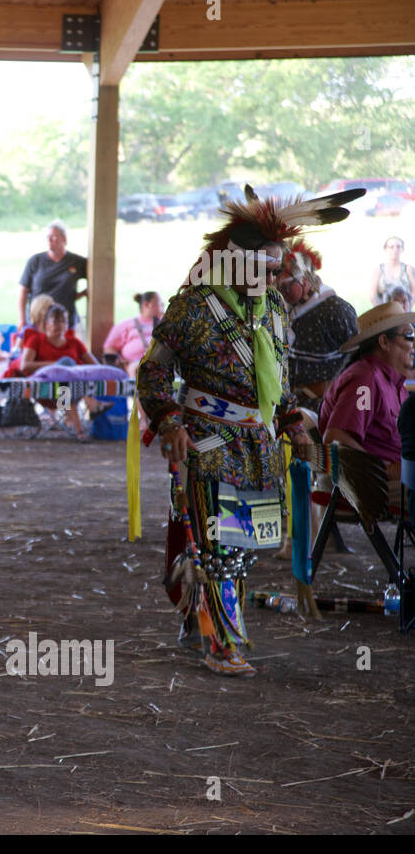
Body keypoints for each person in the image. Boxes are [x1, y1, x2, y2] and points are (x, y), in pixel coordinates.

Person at [136, 185, 361, 677]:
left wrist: (290, 424)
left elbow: (276, 381)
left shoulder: (274, 309)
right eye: (266, 267)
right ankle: (220, 640)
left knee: (242, 547)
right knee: (217, 546)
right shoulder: (193, 307)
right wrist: (169, 421)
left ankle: (203, 623)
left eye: (279, 268)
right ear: (233, 263)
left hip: (257, 445)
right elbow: (153, 372)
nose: (277, 275)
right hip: (208, 439)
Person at [319, 302, 414, 499]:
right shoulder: (365, 379)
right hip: (373, 483)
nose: (413, 343)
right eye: (409, 336)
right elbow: (334, 437)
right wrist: (383, 469)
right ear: (384, 342)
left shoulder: (390, 382)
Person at [278, 240, 357, 409]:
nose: (281, 293)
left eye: (286, 287)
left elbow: (358, 359)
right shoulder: (281, 308)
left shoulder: (336, 310)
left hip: (326, 405)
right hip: (289, 403)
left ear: (305, 280)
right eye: (277, 287)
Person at [18, 303, 98, 440]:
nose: (60, 325)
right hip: (44, 389)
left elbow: (95, 366)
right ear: (46, 324)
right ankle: (91, 408)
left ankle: (80, 428)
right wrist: (56, 365)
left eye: (63, 321)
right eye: (55, 321)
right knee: (65, 365)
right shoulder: (35, 340)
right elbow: (24, 366)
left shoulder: (74, 343)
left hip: (67, 392)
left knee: (67, 382)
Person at [18, 220, 86, 329]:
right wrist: (22, 320)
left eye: (54, 237)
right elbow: (23, 291)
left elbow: (97, 277)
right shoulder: (35, 261)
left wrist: (82, 294)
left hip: (64, 321)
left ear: (64, 239)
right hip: (38, 320)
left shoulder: (76, 262)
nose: (49, 240)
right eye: (47, 237)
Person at [102, 292, 163, 377]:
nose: (163, 305)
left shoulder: (166, 324)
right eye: (160, 302)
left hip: (165, 361)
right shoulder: (126, 324)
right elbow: (109, 347)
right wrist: (120, 362)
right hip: (136, 364)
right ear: (146, 304)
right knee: (140, 368)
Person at [369, 235, 415, 306]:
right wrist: (381, 309)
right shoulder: (379, 270)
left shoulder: (408, 269)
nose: (395, 250)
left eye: (398, 247)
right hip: (384, 311)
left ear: (402, 249)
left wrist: (408, 306)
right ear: (385, 249)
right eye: (391, 247)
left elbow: (414, 291)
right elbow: (373, 294)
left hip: (404, 311)